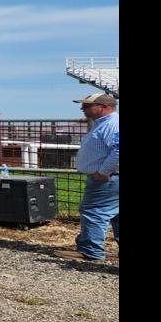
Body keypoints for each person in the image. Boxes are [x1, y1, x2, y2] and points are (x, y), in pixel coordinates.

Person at [54, 93, 119, 263]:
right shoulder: (105, 124)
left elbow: (118, 151)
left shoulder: (111, 124)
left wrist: (104, 172)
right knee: (115, 213)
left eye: (88, 105)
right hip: (111, 177)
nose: (83, 108)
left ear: (105, 107)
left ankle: (91, 251)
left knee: (94, 211)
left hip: (107, 179)